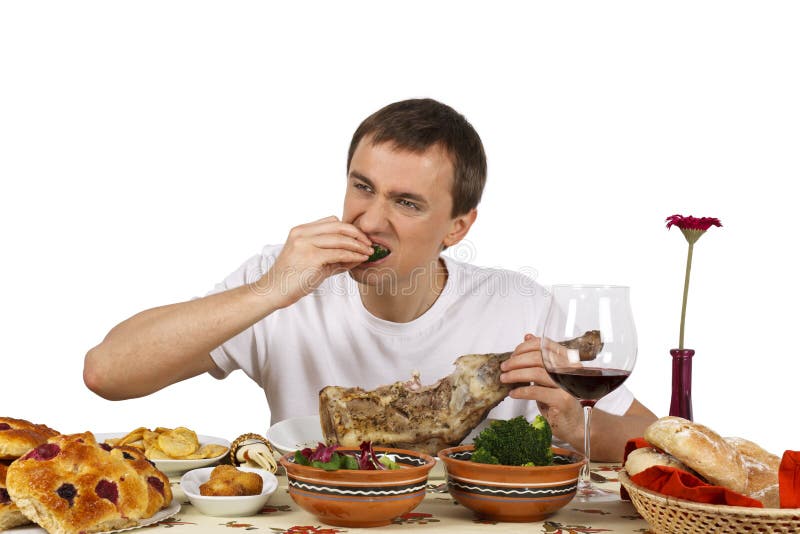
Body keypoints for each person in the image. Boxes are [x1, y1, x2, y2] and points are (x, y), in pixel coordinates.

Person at [84, 98, 656, 461]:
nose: (371, 219)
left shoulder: (518, 304)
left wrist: (575, 421)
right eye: (362, 187)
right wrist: (272, 291)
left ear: (458, 227)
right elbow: (107, 373)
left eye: (406, 203)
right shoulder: (280, 276)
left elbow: (657, 448)